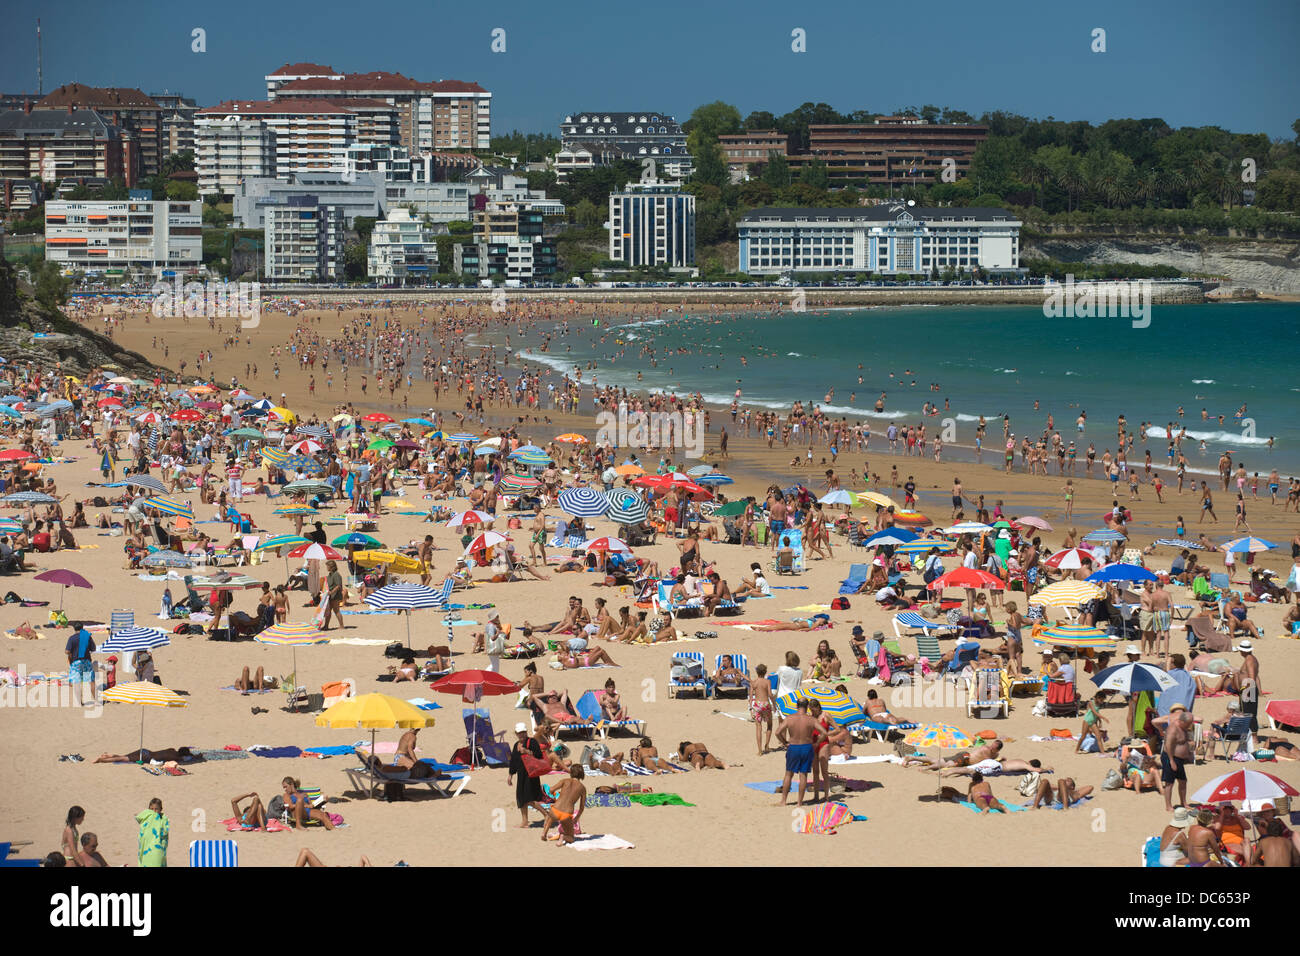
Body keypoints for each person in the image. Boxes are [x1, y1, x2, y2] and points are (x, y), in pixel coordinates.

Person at [775, 698, 825, 806]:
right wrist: (816, 743)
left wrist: (785, 742)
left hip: (793, 746)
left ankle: (783, 801)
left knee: (789, 774)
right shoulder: (811, 719)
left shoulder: (790, 718)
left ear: (797, 706)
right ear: (807, 707)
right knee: (803, 775)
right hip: (807, 747)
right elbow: (824, 733)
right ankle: (799, 802)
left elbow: (777, 732)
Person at [1152, 706, 1194, 811]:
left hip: (1179, 759)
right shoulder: (1173, 729)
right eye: (1188, 723)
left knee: (1183, 781)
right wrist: (1171, 761)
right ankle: (1168, 806)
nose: (1189, 726)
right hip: (1170, 757)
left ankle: (1183, 802)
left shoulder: (1183, 727)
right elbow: (1168, 745)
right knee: (1169, 783)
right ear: (1182, 721)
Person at [507, 723, 546, 828]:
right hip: (521, 775)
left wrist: (527, 751)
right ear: (516, 733)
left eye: (523, 732)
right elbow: (513, 761)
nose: (522, 735)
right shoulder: (516, 745)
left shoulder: (532, 742)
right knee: (521, 798)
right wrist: (510, 775)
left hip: (531, 774)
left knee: (530, 799)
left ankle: (546, 815)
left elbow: (539, 755)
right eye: (520, 733)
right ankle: (525, 822)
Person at [541, 765, 586, 845]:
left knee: (550, 815)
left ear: (571, 773)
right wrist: (576, 818)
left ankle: (544, 833)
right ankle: (563, 837)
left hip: (555, 810)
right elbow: (581, 807)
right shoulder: (582, 788)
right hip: (566, 814)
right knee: (571, 838)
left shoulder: (565, 781)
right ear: (582, 774)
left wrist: (556, 796)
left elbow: (551, 790)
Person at [65, 626, 96, 704]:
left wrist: (71, 653)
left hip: (76, 662)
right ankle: (96, 700)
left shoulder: (72, 638)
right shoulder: (87, 636)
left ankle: (79, 702)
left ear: (74, 629)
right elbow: (93, 649)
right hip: (86, 661)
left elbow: (67, 651)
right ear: (82, 628)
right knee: (91, 681)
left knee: (77, 682)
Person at [135, 798, 169, 867]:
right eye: (151, 809)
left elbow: (165, 833)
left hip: (157, 850)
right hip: (146, 849)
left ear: (160, 809)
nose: (154, 811)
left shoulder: (163, 820)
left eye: (156, 809)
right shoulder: (147, 818)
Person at [749, 663, 774, 754]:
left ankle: (760, 751)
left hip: (757, 705)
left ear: (756, 672)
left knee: (758, 727)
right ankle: (767, 746)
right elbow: (770, 695)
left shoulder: (754, 682)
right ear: (765, 672)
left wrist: (751, 709)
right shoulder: (767, 682)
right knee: (770, 725)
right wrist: (774, 705)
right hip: (766, 704)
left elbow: (751, 697)